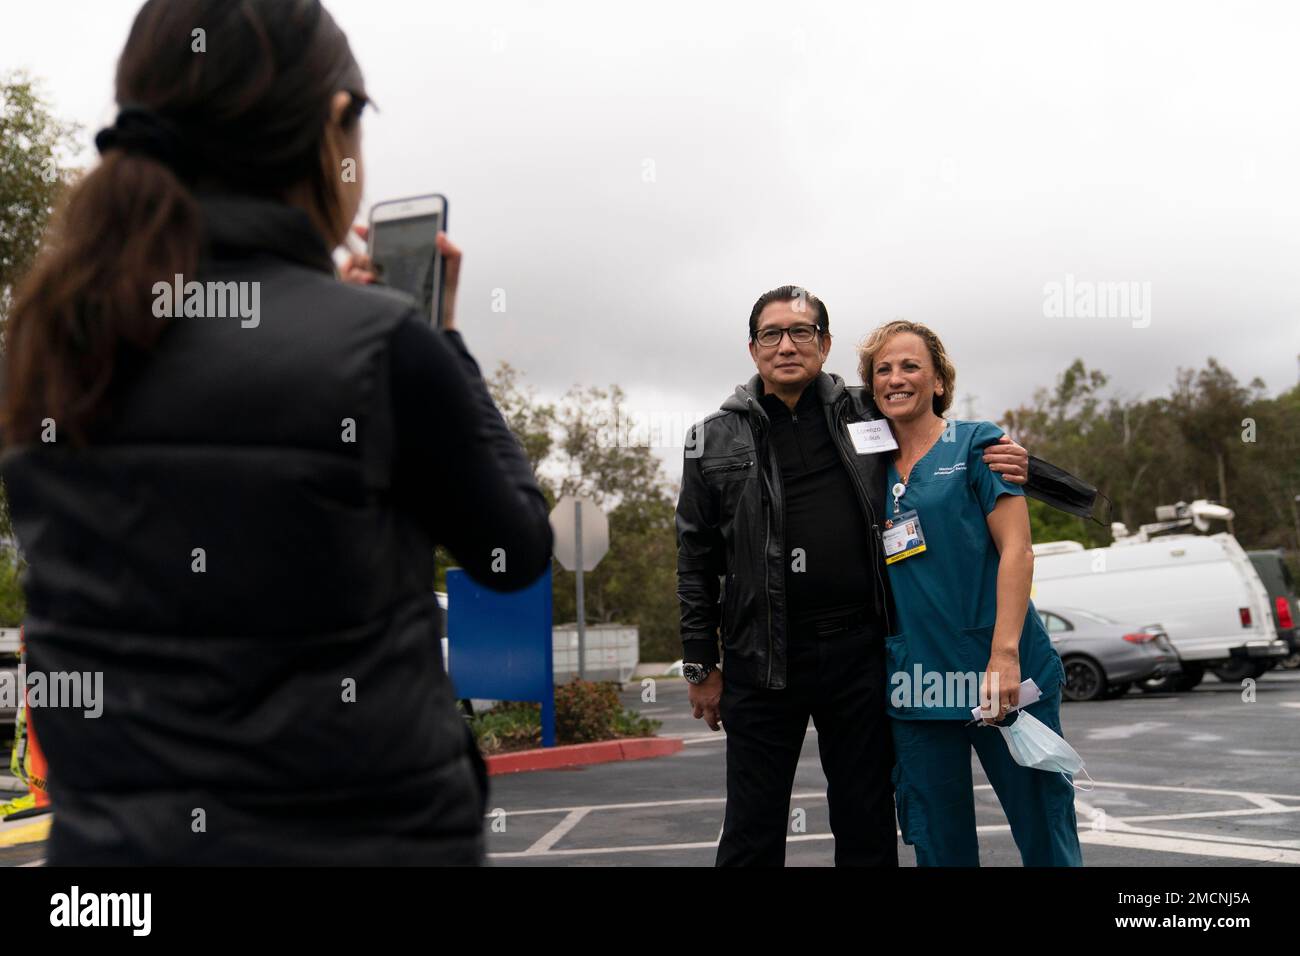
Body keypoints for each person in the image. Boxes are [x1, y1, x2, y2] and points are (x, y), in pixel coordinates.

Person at [0, 0, 552, 864]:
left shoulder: (51, 341)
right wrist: (440, 340)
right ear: (333, 126)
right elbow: (512, 551)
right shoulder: (381, 347)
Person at [675, 285, 1065, 866]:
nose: (787, 345)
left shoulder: (865, 410)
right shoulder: (712, 438)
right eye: (772, 334)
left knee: (866, 819)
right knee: (751, 826)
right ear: (753, 348)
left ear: (824, 344)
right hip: (762, 656)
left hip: (859, 654)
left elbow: (939, 438)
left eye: (802, 332)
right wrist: (700, 664)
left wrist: (1022, 462)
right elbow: (694, 558)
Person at [860, 319, 1083, 866]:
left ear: (938, 381)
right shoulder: (866, 468)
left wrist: (1003, 655)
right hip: (920, 683)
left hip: (1003, 673)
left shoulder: (980, 445)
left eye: (910, 365)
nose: (896, 378)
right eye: (883, 369)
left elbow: (1017, 551)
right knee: (936, 839)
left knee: (1043, 825)